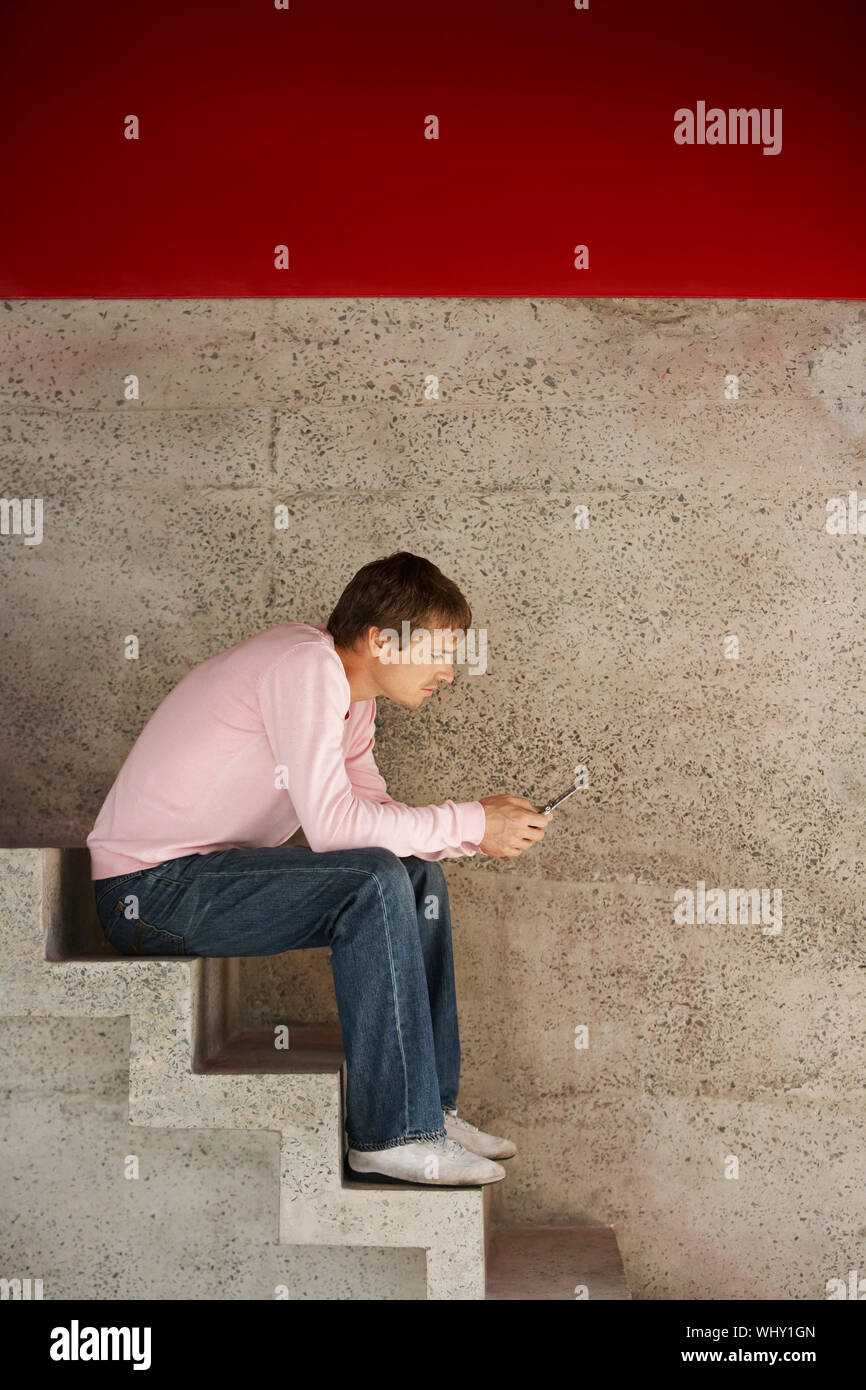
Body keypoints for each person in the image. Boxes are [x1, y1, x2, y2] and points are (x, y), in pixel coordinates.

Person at [87, 552, 549, 1186]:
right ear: (380, 639)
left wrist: (479, 835)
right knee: (374, 881)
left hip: (206, 875)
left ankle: (431, 1114)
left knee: (414, 879)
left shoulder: (354, 702)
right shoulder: (305, 666)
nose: (449, 671)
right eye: (439, 651)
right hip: (146, 892)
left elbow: (374, 818)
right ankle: (392, 1136)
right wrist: (469, 820)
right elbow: (335, 831)